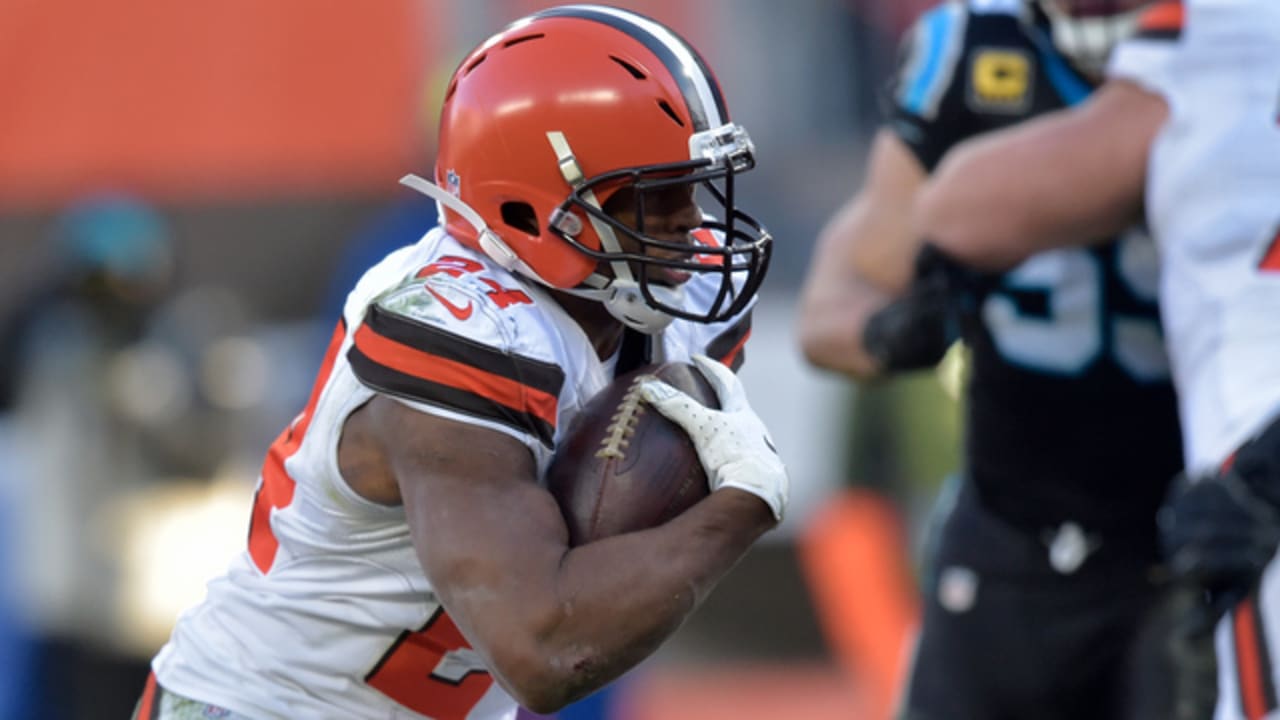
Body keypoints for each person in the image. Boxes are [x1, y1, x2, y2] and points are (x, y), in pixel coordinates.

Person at [132, 6, 788, 719]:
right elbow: (542, 649)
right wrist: (738, 509)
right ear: (534, 206)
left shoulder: (682, 296)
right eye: (656, 192)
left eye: (696, 182)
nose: (692, 220)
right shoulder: (458, 329)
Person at [796, 1, 1185, 718]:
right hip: (1013, 533)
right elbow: (832, 307)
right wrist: (886, 333)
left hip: (1192, 539)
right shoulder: (971, 49)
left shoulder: (1236, 41)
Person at [913, 2, 1280, 718]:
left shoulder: (1219, 34)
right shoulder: (977, 43)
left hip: (1234, 505)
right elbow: (901, 245)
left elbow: (953, 211)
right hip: (1048, 526)